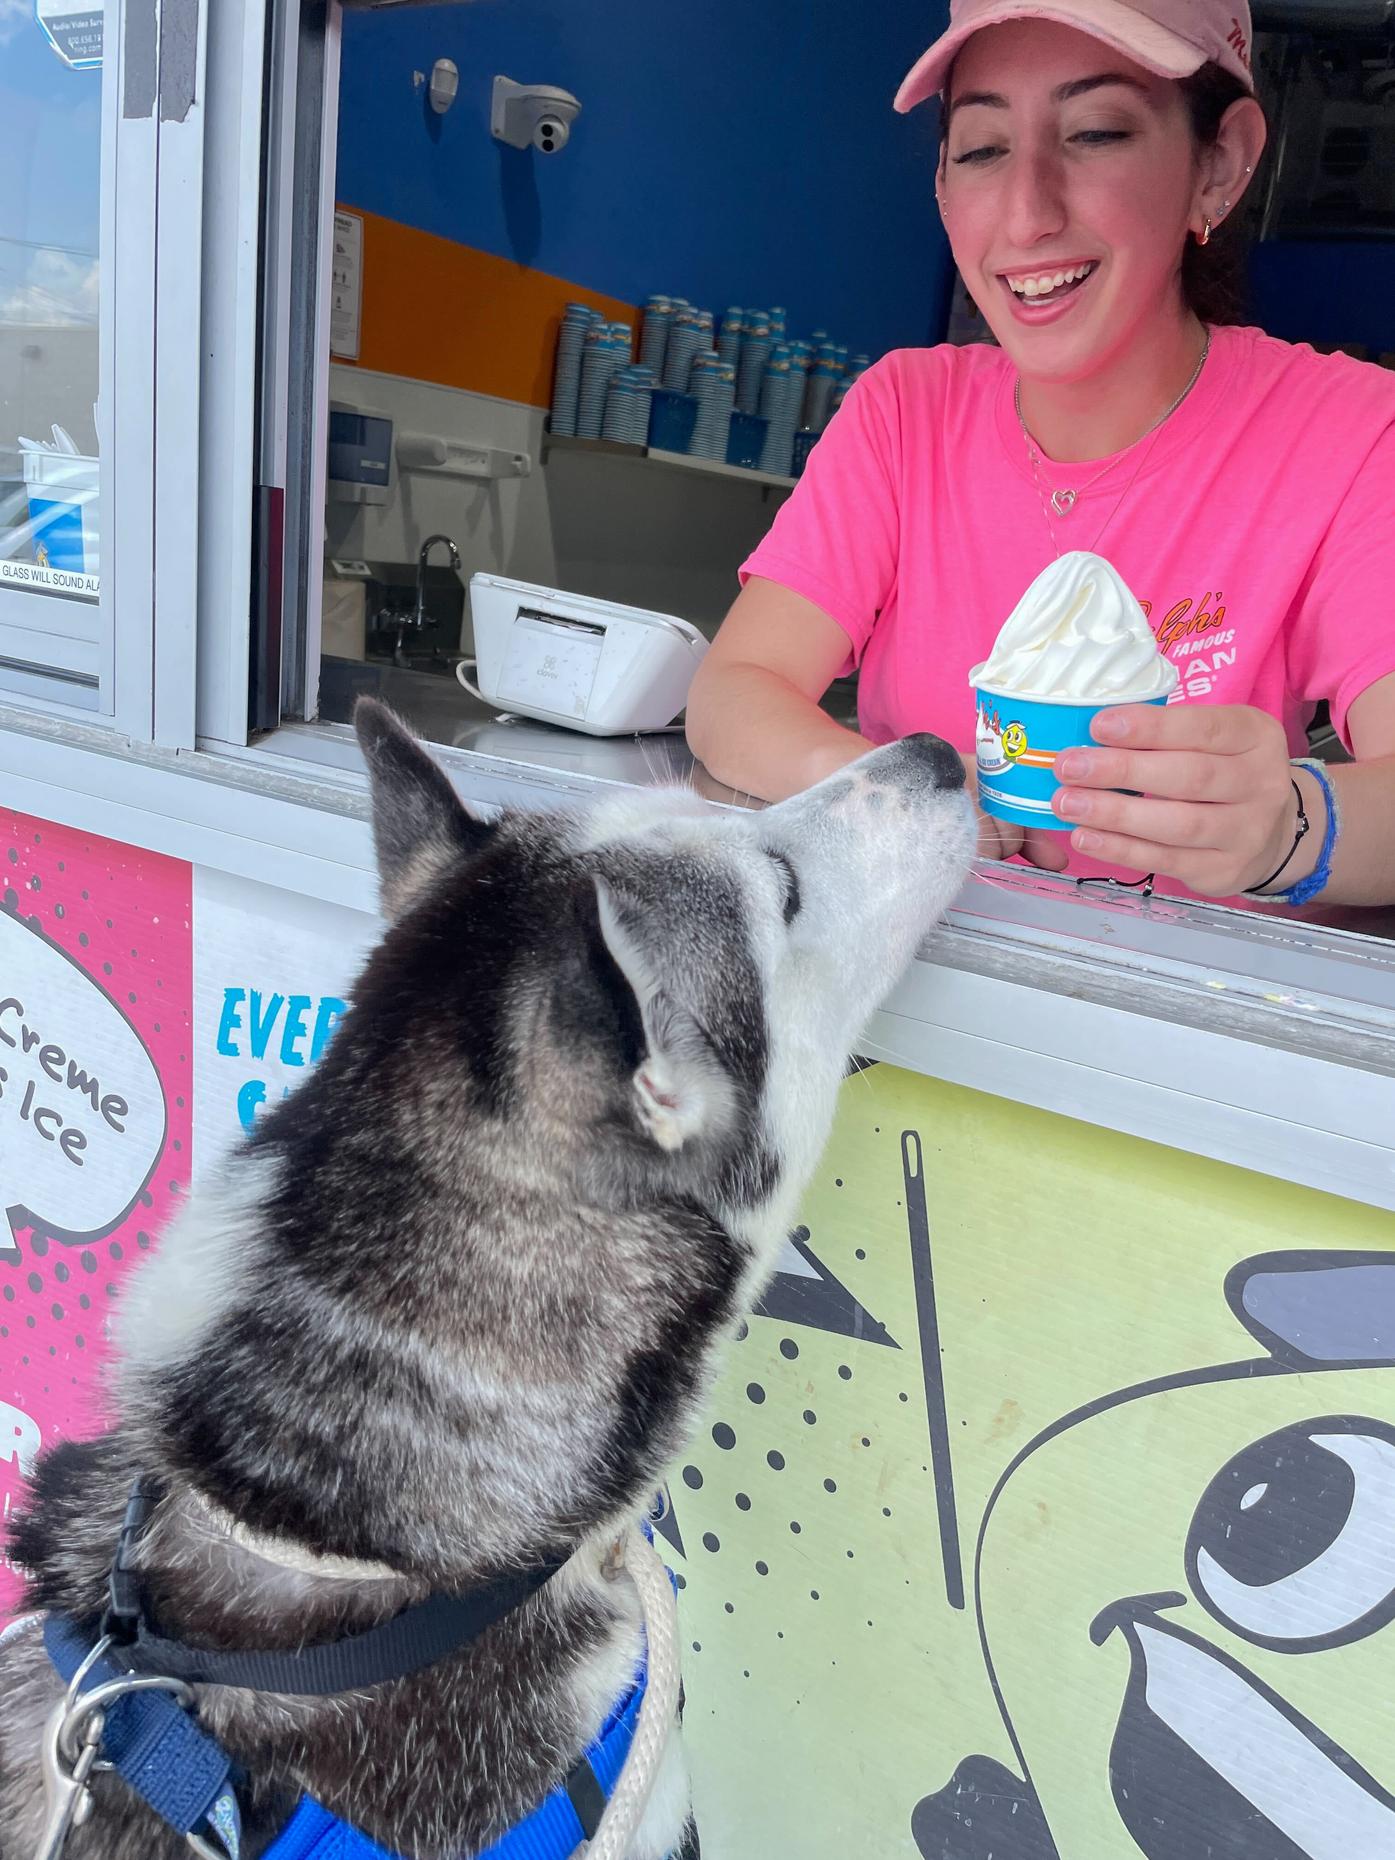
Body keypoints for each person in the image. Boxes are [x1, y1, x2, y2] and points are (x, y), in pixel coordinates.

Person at [685, 0, 1395, 908]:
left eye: (1095, 132)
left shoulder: (1348, 434)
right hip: (901, 999)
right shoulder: (906, 412)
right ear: (942, 187)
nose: (1024, 216)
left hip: (1160, 1034)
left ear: (1215, 166)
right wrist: (910, 804)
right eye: (981, 149)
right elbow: (736, 689)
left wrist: (1295, 823)